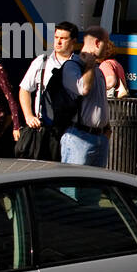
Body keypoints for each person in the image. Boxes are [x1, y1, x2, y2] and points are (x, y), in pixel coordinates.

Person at [58, 25, 110, 166]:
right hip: (78, 137)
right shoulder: (72, 66)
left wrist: (107, 128)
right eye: (107, 43)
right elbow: (84, 88)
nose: (109, 48)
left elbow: (101, 101)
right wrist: (89, 65)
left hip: (99, 138)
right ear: (98, 43)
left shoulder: (98, 71)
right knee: (72, 185)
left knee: (95, 187)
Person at [18, 21, 78, 135]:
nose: (58, 42)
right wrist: (29, 116)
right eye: (56, 37)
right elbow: (24, 89)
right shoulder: (42, 61)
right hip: (45, 128)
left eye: (63, 38)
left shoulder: (79, 65)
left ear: (73, 41)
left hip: (72, 129)